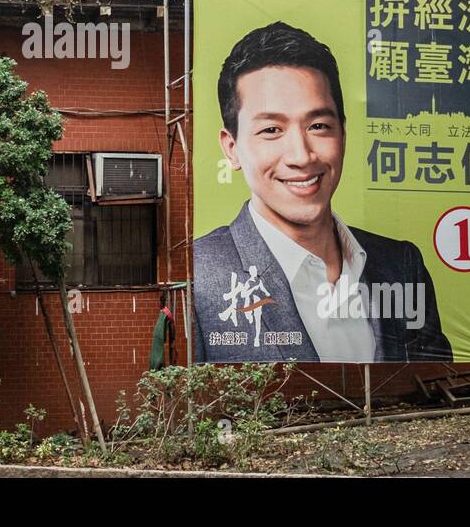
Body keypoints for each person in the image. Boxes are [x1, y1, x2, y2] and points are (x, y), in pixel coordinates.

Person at [193, 22, 452, 364]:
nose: (302, 156)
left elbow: (435, 386)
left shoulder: (401, 265)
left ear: (343, 133)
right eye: (271, 130)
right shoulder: (197, 277)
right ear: (232, 148)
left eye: (318, 126)